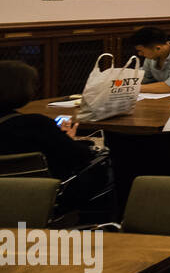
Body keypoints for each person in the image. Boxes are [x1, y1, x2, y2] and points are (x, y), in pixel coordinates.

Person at [0, 60, 105, 209]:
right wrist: (69, 139)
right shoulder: (35, 124)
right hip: (42, 198)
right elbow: (80, 157)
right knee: (102, 165)